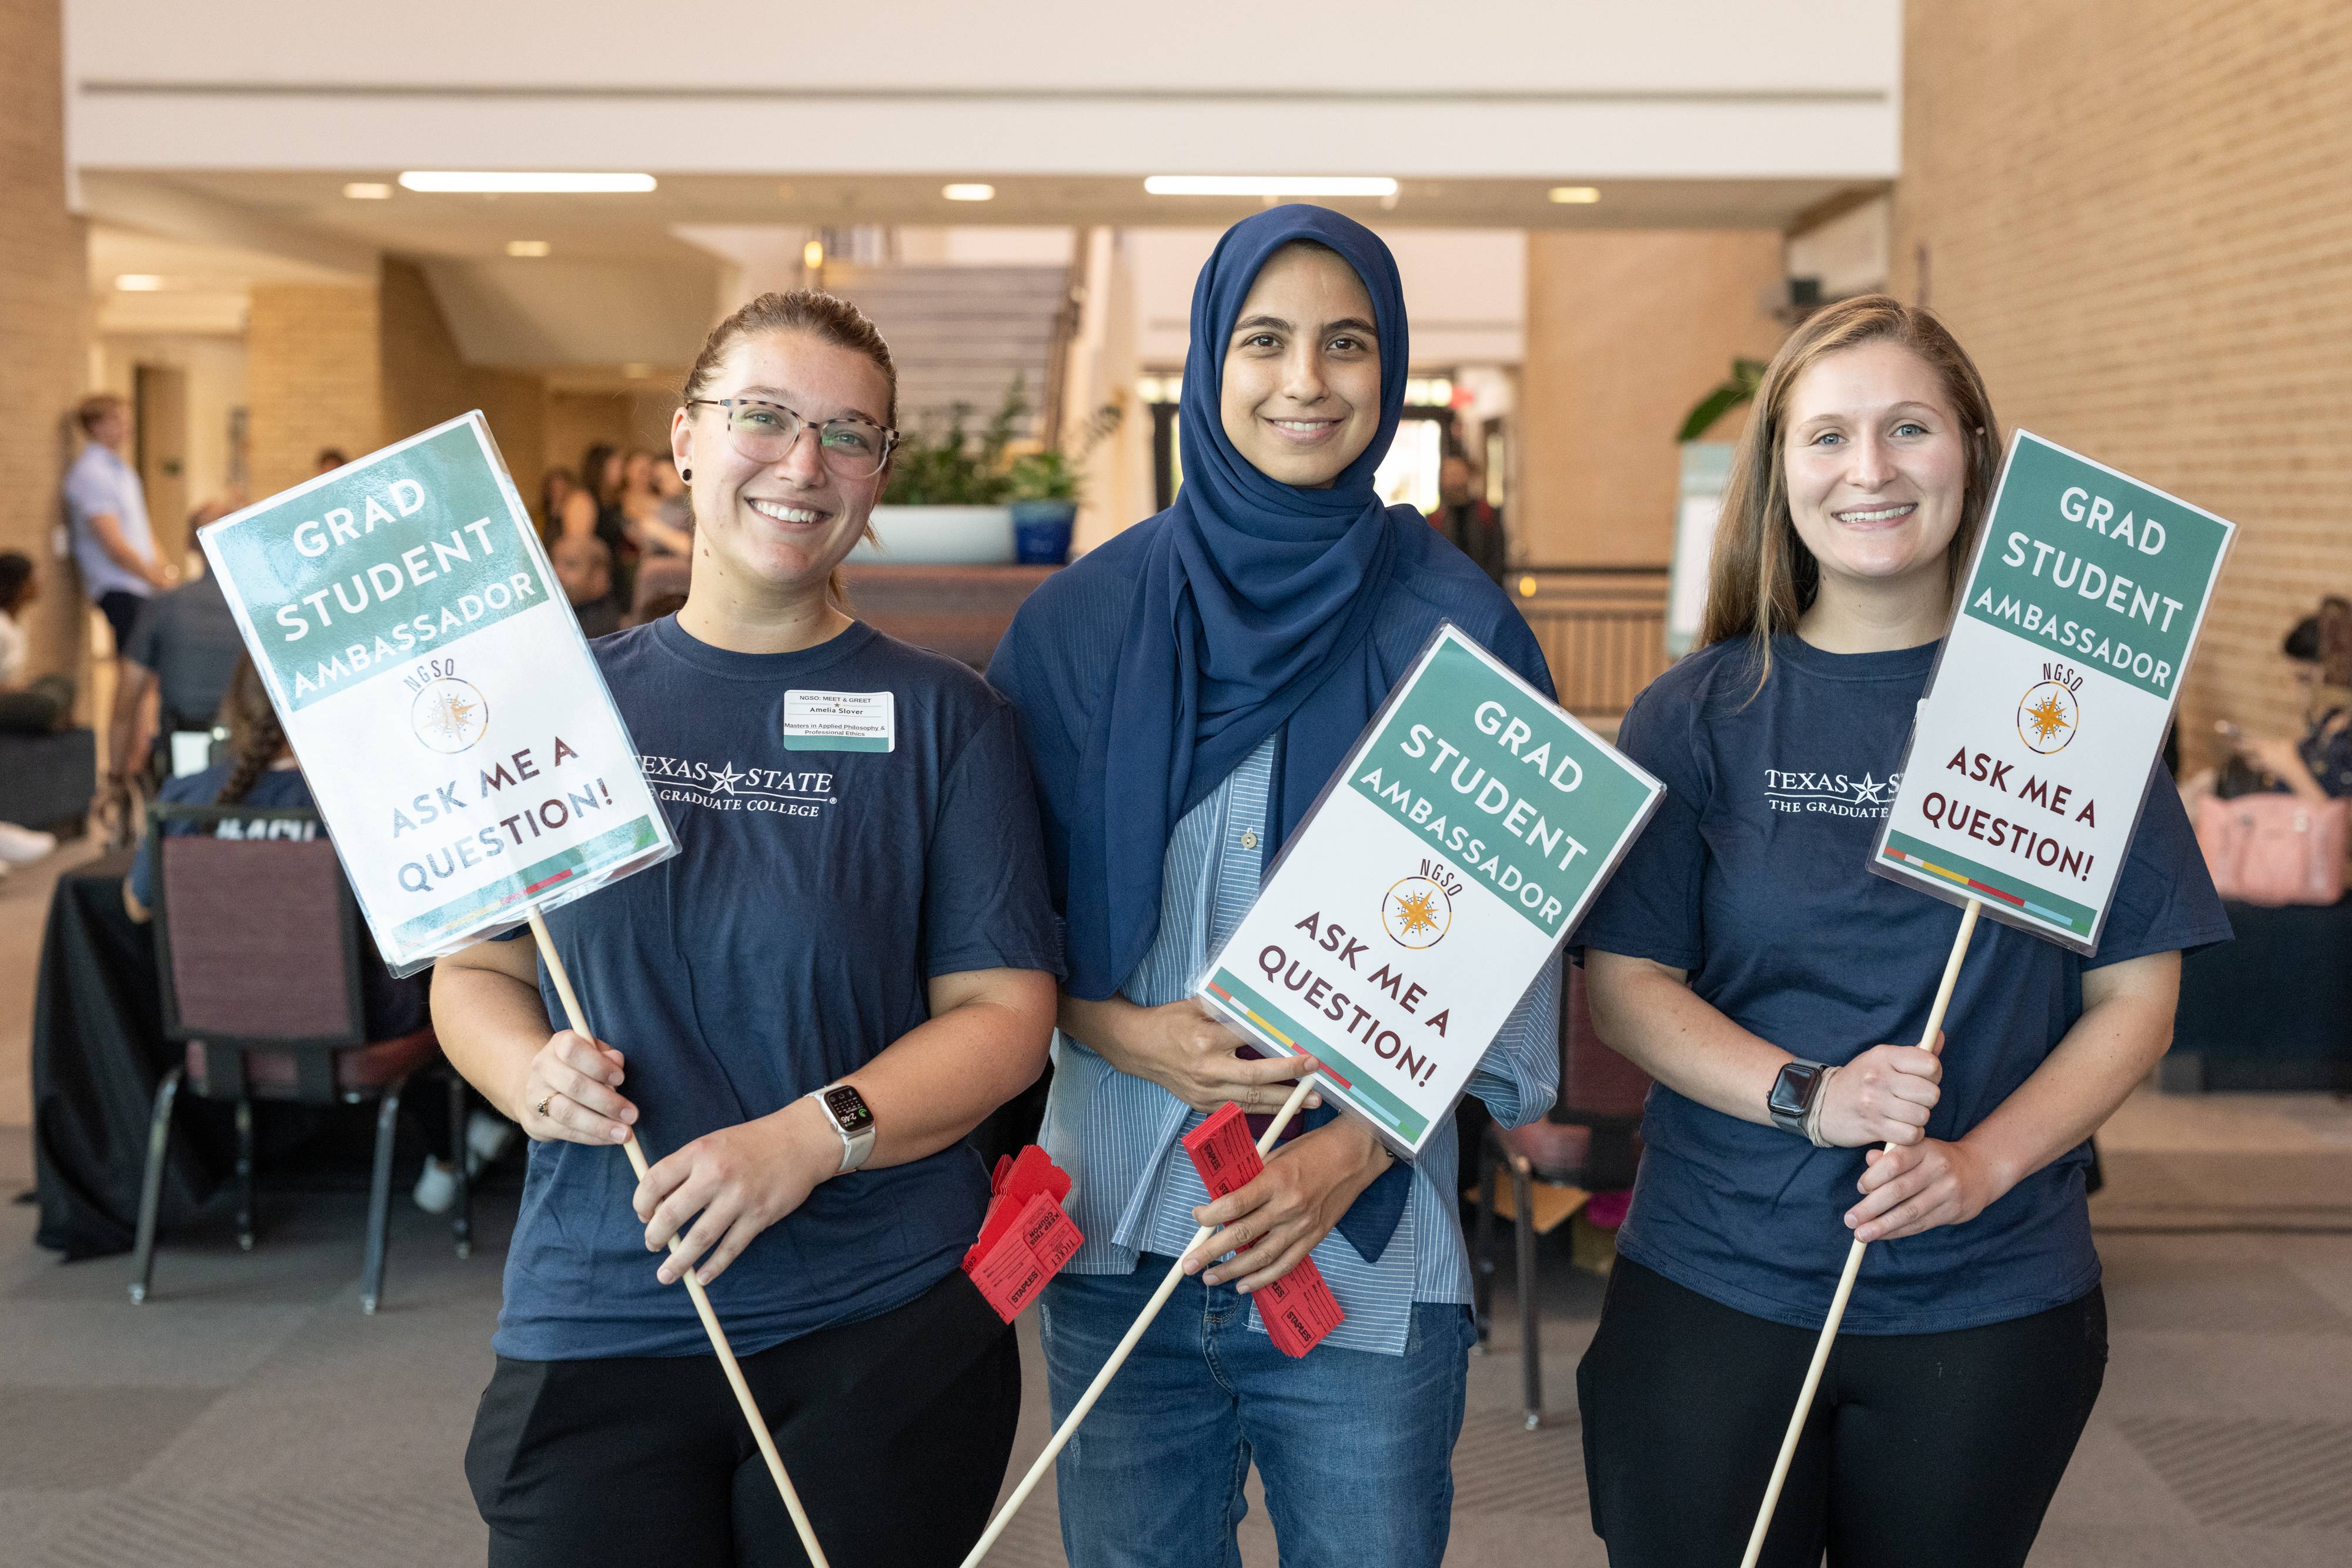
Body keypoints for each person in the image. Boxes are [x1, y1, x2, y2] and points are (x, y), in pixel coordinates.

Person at [1570, 295, 2231, 1568]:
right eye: (1827, 436)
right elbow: (1628, 986)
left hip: (1984, 1299)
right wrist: (1807, 1095)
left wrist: (1978, 1165)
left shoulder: (2069, 710)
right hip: (1717, 1277)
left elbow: (2135, 1001)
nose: (1868, 469)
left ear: (1971, 448)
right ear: (1779, 471)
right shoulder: (1698, 713)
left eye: (1908, 428)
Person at [434, 288, 1063, 1567]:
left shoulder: (948, 720)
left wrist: (805, 1140)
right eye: (763, 417)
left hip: (877, 1322)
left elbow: (1005, 1016)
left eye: (849, 433)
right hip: (602, 1306)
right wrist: (525, 1070)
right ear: (685, 438)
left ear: (878, 476)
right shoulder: (559, 706)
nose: (803, 462)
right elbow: (476, 969)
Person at [988, 205, 1560, 1568]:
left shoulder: (1461, 629)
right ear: (1205, 361)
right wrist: (1126, 1030)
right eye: (1263, 340)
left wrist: (1346, 1153)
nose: (1306, 380)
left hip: (1357, 1252)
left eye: (1345, 343)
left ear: (1391, 366)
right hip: (1116, 1234)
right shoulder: (1076, 627)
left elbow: (1507, 970)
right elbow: (987, 940)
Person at [121, 656, 430, 1043]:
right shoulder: (364, 802)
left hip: (216, 1024)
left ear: (236, 706)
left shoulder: (183, 798)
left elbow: (137, 906)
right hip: (365, 1022)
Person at [108, 517, 246, 791]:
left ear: (190, 545)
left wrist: (116, 779)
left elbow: (127, 702)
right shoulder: (267, 608)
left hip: (182, 761)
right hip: (253, 754)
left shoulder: (164, 607)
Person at [62, 392, 172, 651]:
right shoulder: (92, 473)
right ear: (97, 425)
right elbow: (112, 543)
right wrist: (153, 577)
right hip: (119, 584)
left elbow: (141, 529)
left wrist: (163, 571)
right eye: (120, 420)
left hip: (142, 581)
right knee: (134, 661)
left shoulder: (123, 471)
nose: (129, 428)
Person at [1425, 452, 1506, 582]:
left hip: (1484, 586)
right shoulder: (1435, 520)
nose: (1455, 481)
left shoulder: (1486, 514)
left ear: (1468, 475)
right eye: (1450, 475)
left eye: (1458, 474)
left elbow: (1497, 557)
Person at [549, 533, 623, 639]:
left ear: (598, 577)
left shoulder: (600, 634)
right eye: (552, 562)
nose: (556, 573)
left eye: (570, 565)